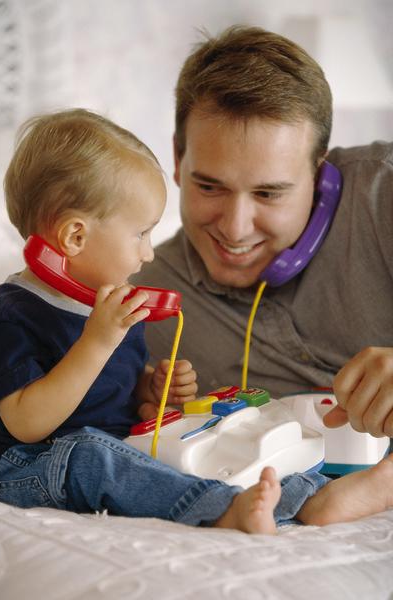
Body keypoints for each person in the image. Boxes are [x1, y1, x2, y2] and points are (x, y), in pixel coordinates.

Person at [0, 108, 392, 536]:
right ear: (76, 237)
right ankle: (225, 512)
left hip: (117, 446)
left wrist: (150, 384)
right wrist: (98, 343)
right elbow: (26, 422)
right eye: (140, 234)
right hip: (30, 464)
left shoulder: (105, 306)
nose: (148, 253)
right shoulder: (14, 313)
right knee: (91, 456)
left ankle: (308, 495)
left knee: (200, 443)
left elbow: (112, 383)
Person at [131, 25, 393, 441]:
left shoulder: (384, 194)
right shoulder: (142, 303)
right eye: (209, 186)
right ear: (178, 159)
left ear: (318, 172)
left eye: (269, 193)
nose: (235, 229)